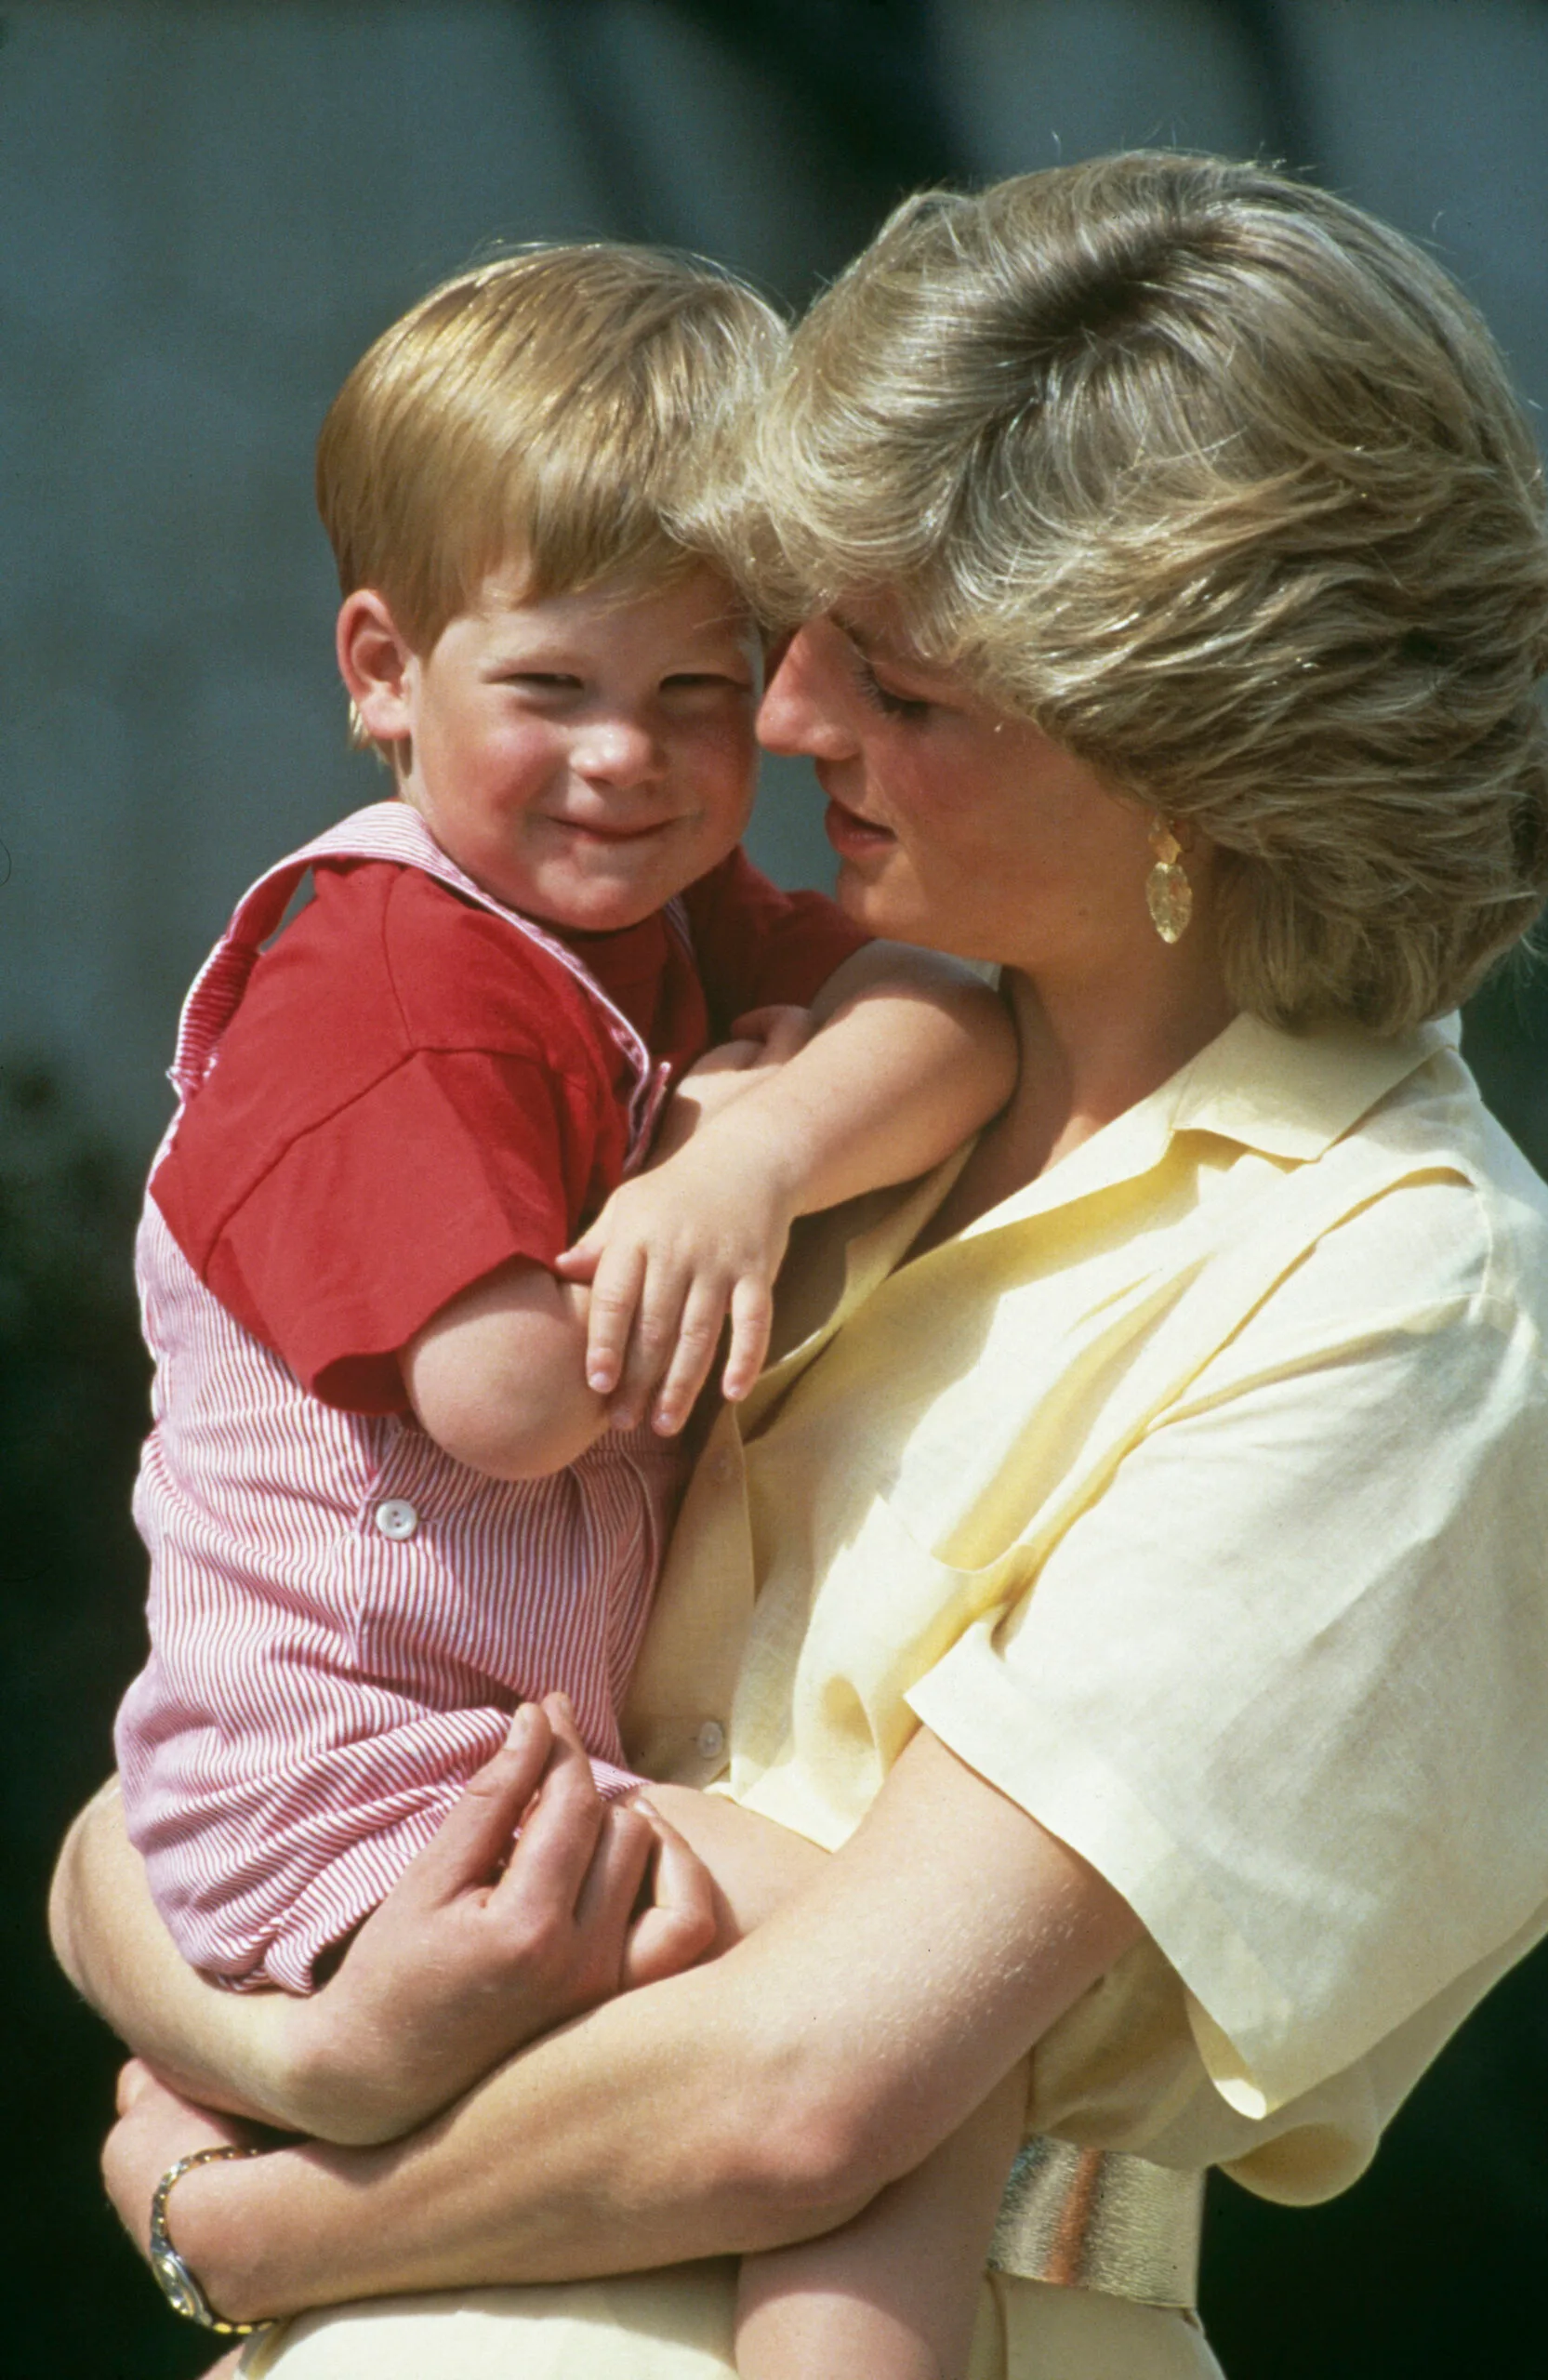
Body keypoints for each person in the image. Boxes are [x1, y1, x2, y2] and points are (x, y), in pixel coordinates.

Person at [56, 153, 1548, 2380]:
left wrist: (255, 2199)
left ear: (1182, 760)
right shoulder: (776, 1083)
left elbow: (821, 2075)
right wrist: (290, 2057)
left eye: (898, 685)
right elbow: (172, 1800)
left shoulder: (1393, 1291)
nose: (773, 727)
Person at [103, 241, 1020, 2379]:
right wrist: (693, 1189)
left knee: (874, 2043)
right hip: (356, 1785)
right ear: (383, 666)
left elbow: (957, 1012)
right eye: (555, 688)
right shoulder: (385, 983)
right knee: (910, 2014)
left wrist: (749, 1156)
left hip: (464, 1768)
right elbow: (507, 1392)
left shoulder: (655, 927)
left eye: (701, 692)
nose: (631, 759)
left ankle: (254, 2204)